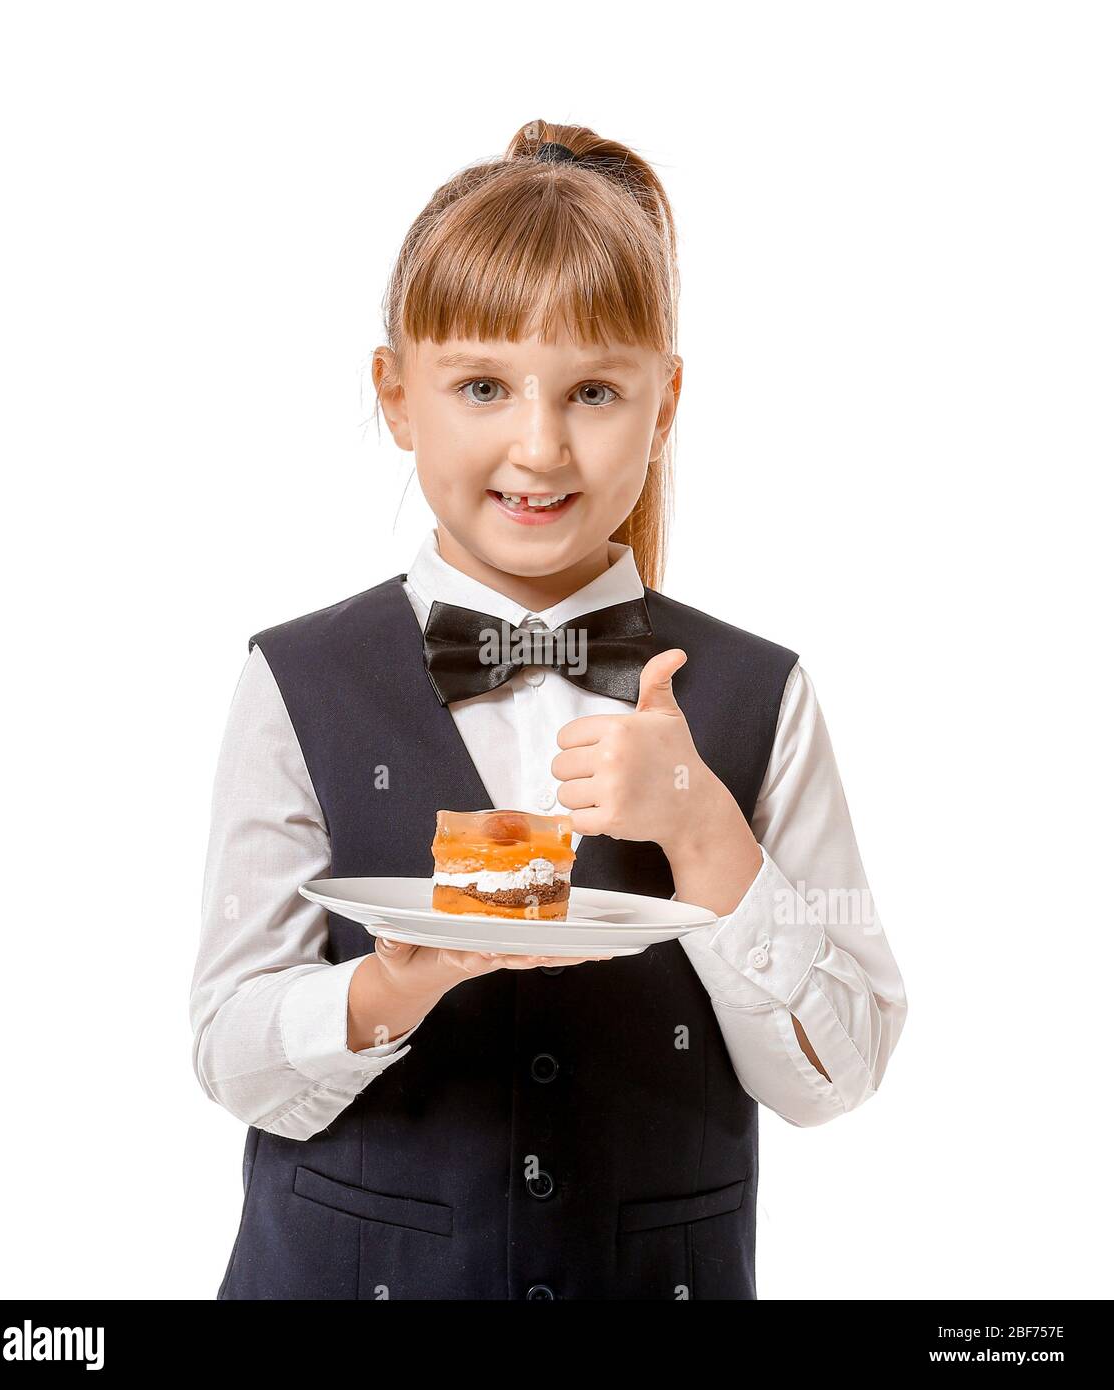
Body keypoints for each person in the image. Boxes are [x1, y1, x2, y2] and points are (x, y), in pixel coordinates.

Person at [190, 119, 908, 1301]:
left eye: (593, 391)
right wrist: (392, 985)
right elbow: (228, 1048)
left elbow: (839, 1076)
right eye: (482, 385)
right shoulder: (295, 681)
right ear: (397, 394)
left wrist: (703, 831)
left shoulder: (761, 693)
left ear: (664, 403)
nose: (539, 444)